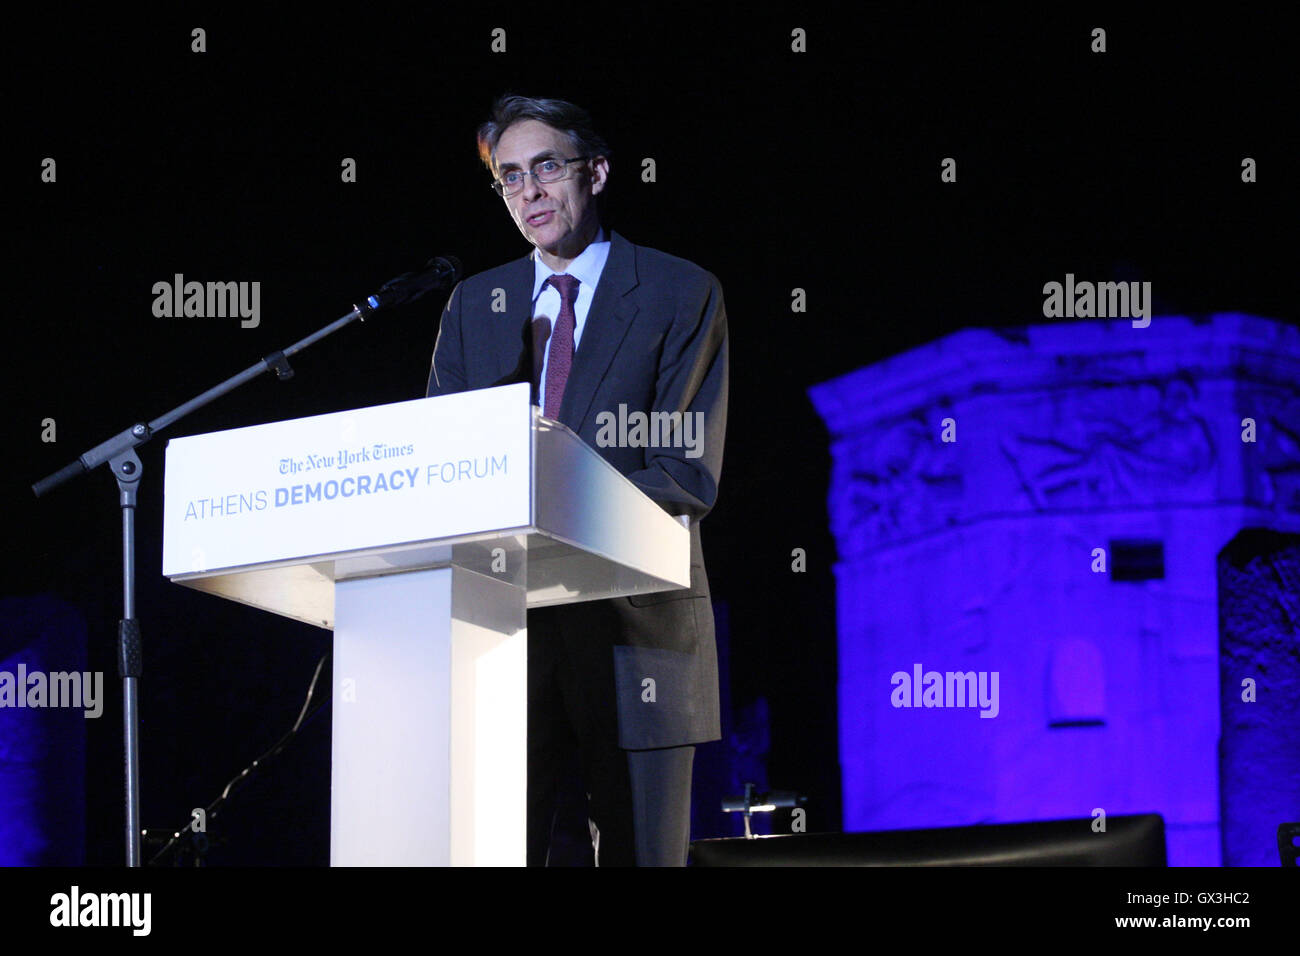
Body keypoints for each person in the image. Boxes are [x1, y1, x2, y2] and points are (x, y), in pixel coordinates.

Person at [426, 94, 728, 866]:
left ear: (594, 172)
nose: (528, 193)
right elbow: (437, 470)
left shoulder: (677, 291)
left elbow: (683, 473)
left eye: (546, 168)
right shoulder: (474, 306)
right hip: (503, 639)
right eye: (509, 177)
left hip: (636, 635)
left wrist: (549, 497)